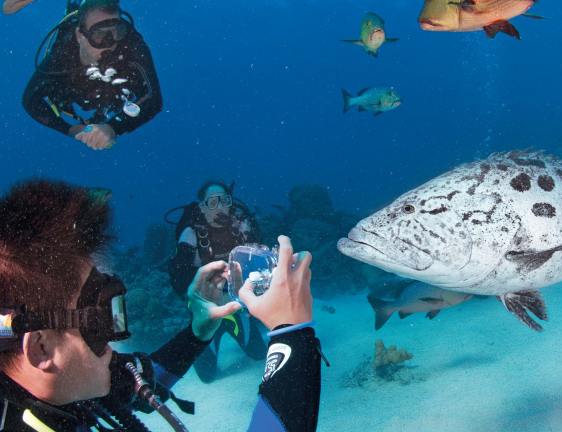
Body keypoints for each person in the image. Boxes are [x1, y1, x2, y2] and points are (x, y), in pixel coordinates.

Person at [0, 179, 322, 431]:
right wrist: (292, 333)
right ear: (40, 348)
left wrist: (197, 333)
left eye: (115, 309)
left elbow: (141, 383)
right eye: (100, 320)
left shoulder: (55, 387)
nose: (114, 338)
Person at [21, 0, 162, 150]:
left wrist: (113, 127)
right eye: (99, 34)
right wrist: (69, 129)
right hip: (72, 90)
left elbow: (153, 98)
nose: (110, 43)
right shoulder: (63, 54)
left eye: (116, 30)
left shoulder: (132, 45)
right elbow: (31, 100)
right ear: (80, 35)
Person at [168, 180, 268, 383]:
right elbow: (178, 279)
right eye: (212, 202)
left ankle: (235, 325)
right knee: (207, 376)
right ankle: (207, 334)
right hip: (206, 311)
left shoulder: (242, 227)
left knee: (259, 354)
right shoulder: (191, 234)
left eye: (224, 200)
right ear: (202, 207)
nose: (220, 207)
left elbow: (261, 263)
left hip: (236, 307)